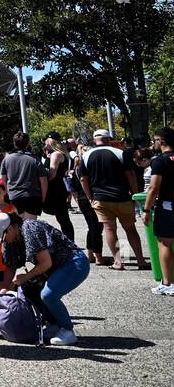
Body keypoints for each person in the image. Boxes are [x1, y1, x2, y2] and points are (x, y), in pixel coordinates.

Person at [0, 211, 89, 345]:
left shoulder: (30, 229)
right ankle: (53, 324)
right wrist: (3, 292)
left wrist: (25, 277)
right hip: (54, 267)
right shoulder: (10, 239)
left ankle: (68, 331)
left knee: (48, 295)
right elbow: (10, 267)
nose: (2, 241)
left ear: (10, 228)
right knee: (28, 289)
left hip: (74, 263)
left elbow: (46, 263)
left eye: (2, 237)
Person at [79, 130, 148, 272]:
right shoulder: (119, 153)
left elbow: (83, 179)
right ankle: (141, 260)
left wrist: (90, 197)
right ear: (109, 139)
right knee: (130, 229)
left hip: (101, 198)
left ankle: (118, 262)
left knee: (110, 229)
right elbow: (130, 174)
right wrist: (135, 194)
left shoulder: (86, 155)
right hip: (122, 197)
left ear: (94, 140)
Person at [143, 127, 174, 296]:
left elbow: (153, 188)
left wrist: (146, 209)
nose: (153, 143)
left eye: (154, 140)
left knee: (165, 243)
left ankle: (168, 283)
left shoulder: (159, 161)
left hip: (167, 206)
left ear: (161, 141)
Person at [1, 132, 46, 217]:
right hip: (32, 196)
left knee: (18, 226)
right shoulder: (35, 159)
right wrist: (43, 199)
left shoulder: (7, 160)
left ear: (14, 143)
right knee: (31, 226)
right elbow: (43, 181)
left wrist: (7, 194)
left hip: (14, 196)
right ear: (28, 143)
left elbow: (2, 179)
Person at [41, 136, 74, 240]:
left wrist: (44, 184)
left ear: (51, 142)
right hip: (58, 187)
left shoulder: (56, 154)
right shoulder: (58, 153)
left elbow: (52, 173)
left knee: (63, 218)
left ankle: (69, 241)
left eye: (46, 143)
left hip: (55, 188)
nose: (44, 145)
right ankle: (69, 241)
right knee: (63, 217)